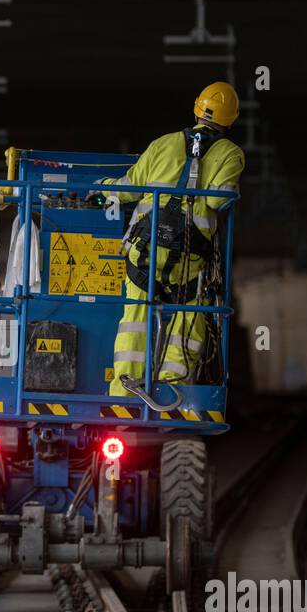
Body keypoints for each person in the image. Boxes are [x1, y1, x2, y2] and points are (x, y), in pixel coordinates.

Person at [97, 81, 245, 397]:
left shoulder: (162, 144)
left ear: (196, 108)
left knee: (134, 319)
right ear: (230, 120)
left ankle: (123, 392)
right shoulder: (230, 154)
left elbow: (127, 189)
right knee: (188, 323)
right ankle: (172, 391)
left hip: (144, 254)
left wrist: (99, 187)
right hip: (189, 264)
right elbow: (221, 202)